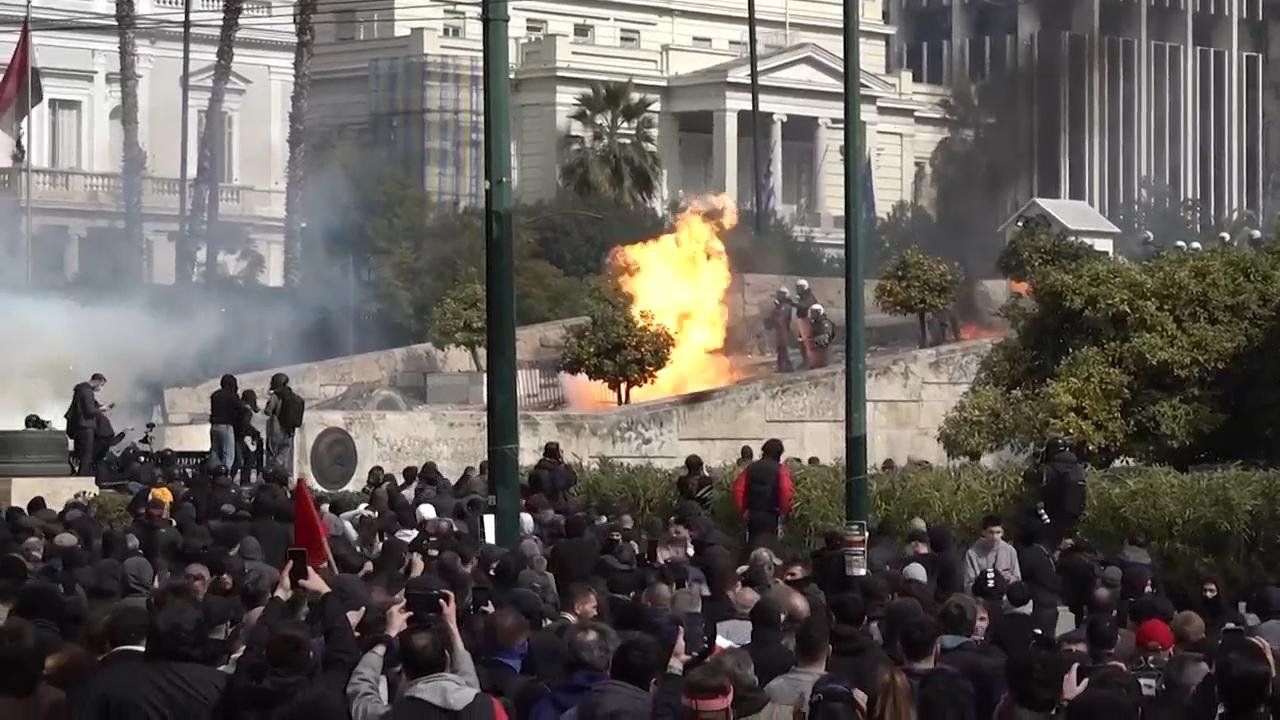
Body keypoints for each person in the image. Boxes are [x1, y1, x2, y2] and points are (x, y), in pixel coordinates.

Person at [347, 590, 507, 720]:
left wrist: (387, 636)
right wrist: (452, 627)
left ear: (405, 673)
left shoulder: (392, 716)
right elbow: (468, 679)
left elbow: (361, 687)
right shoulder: (487, 707)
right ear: (447, 659)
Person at [732, 439, 794, 549]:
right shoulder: (780, 470)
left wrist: (743, 511)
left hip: (753, 514)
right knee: (771, 547)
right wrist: (784, 512)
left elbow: (738, 490)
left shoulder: (751, 468)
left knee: (752, 545)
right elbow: (786, 492)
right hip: (772, 515)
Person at [1027, 438, 1086, 543]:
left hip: (1050, 516)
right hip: (1074, 518)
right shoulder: (1078, 468)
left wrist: (1036, 462)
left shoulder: (1048, 468)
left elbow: (1029, 477)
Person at [65, 372, 110, 476]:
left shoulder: (81, 389)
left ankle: (80, 474)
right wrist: (102, 409)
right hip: (86, 426)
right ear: (97, 381)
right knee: (87, 454)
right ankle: (83, 476)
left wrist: (97, 405)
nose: (100, 389)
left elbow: (83, 406)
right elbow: (89, 411)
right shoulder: (87, 391)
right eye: (101, 385)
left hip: (79, 426)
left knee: (81, 453)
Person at [962, 515, 1021, 589]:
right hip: (981, 595)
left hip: (1004, 594)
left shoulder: (1010, 551)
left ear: (1002, 533)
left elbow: (1017, 579)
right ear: (983, 532)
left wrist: (1009, 578)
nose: (994, 537)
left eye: (998, 532)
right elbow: (968, 583)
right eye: (991, 532)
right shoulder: (972, 554)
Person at [264, 372, 303, 475]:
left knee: (272, 454)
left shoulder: (275, 396)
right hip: (289, 430)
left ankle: (271, 474)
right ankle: (281, 475)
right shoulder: (293, 396)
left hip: (276, 430)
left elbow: (268, 411)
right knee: (284, 454)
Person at [528, 442, 578, 510]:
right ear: (557, 454)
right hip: (557, 507)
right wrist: (564, 463)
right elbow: (573, 480)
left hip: (538, 507)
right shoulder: (560, 470)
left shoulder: (537, 469)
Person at [209, 374, 241, 472]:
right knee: (228, 455)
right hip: (226, 426)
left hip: (214, 426)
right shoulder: (232, 396)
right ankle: (224, 476)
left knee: (215, 453)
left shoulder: (215, 395)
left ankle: (214, 474)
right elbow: (238, 411)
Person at [766, 287, 795, 373]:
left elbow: (780, 319)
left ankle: (788, 368)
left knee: (784, 350)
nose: (778, 296)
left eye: (780, 294)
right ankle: (781, 368)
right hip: (780, 332)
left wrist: (777, 310)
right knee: (781, 350)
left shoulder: (786, 306)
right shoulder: (781, 306)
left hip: (785, 331)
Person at [805, 304, 836, 370]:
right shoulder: (814, 323)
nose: (811, 315)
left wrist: (811, 340)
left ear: (818, 312)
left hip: (823, 353)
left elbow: (825, 338)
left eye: (813, 312)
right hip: (815, 353)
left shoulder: (825, 323)